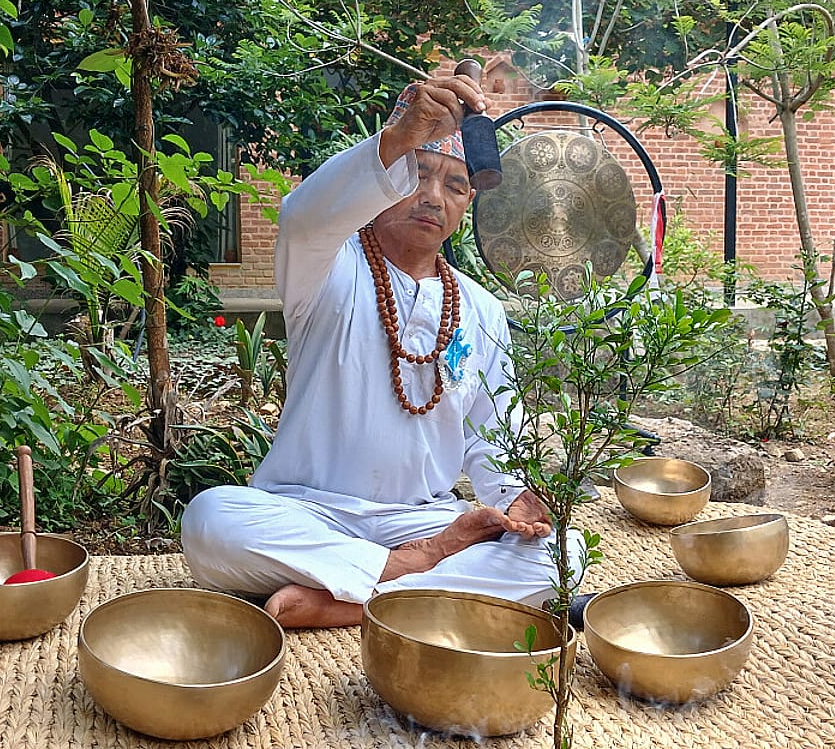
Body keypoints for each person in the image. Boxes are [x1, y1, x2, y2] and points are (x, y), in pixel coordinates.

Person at [180, 73, 583, 629]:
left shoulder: (482, 309)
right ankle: (413, 577)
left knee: (561, 556)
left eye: (456, 185)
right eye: (417, 174)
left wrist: (515, 497)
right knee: (210, 520)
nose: (433, 197)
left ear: (468, 202)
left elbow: (496, 432)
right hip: (308, 513)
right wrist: (401, 135)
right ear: (386, 180)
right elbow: (303, 216)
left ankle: (344, 597)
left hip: (423, 517)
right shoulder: (328, 267)